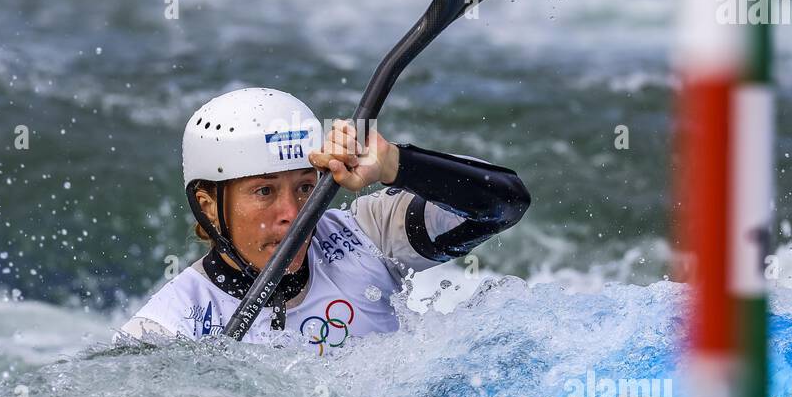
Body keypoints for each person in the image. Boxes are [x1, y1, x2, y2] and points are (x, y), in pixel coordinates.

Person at [116, 87, 530, 347]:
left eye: (304, 187)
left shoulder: (369, 235)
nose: (293, 215)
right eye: (264, 191)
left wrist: (397, 166)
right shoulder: (169, 327)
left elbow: (503, 205)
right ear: (208, 205)